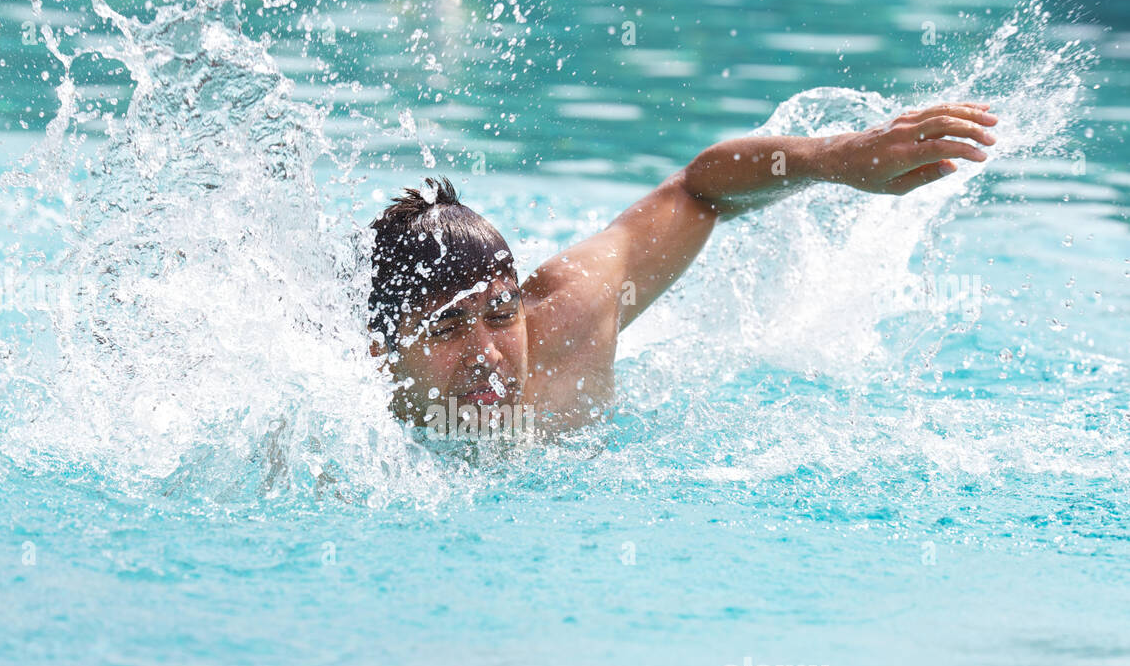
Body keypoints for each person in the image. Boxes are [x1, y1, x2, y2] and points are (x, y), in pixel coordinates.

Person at [367, 102, 998, 435]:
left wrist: (835, 158)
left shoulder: (567, 323)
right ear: (382, 353)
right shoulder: (342, 414)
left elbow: (699, 189)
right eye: (448, 328)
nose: (489, 353)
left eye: (501, 314)